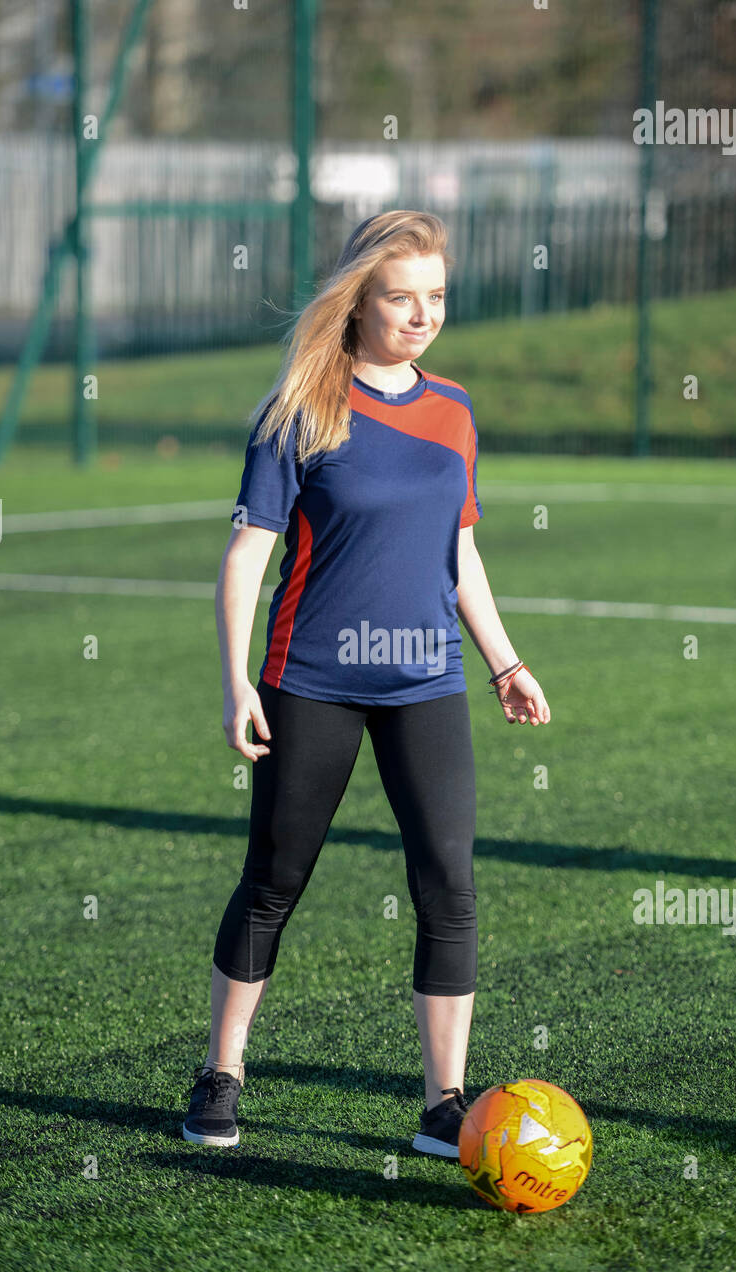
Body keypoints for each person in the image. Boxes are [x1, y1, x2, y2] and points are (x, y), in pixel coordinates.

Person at [182, 209, 550, 1158]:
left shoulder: (454, 410)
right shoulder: (301, 408)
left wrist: (504, 661)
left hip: (426, 682)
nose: (422, 315)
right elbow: (245, 559)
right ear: (359, 301)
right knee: (274, 879)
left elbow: (459, 551)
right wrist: (237, 684)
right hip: (310, 682)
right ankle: (222, 1073)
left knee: (449, 884)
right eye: (402, 297)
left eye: (435, 296)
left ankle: (444, 1103)